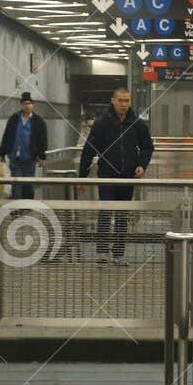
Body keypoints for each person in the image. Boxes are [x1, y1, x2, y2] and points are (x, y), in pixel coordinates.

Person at [77, 87, 154, 263]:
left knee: (122, 215)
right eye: (120, 100)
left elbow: (147, 147)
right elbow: (89, 151)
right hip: (106, 175)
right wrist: (82, 177)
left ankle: (118, 254)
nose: (124, 104)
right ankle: (102, 252)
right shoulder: (102, 124)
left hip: (128, 176)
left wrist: (142, 165)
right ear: (113, 101)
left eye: (127, 101)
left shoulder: (137, 124)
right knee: (105, 212)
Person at [0, 92, 49, 200]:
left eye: (29, 103)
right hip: (14, 157)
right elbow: (7, 135)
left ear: (33, 105)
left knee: (28, 184)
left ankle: (27, 206)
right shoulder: (14, 118)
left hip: (29, 157)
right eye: (25, 103)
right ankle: (16, 209)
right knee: (16, 184)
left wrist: (41, 156)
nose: (27, 106)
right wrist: (2, 153)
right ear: (21, 105)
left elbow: (42, 140)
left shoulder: (38, 121)